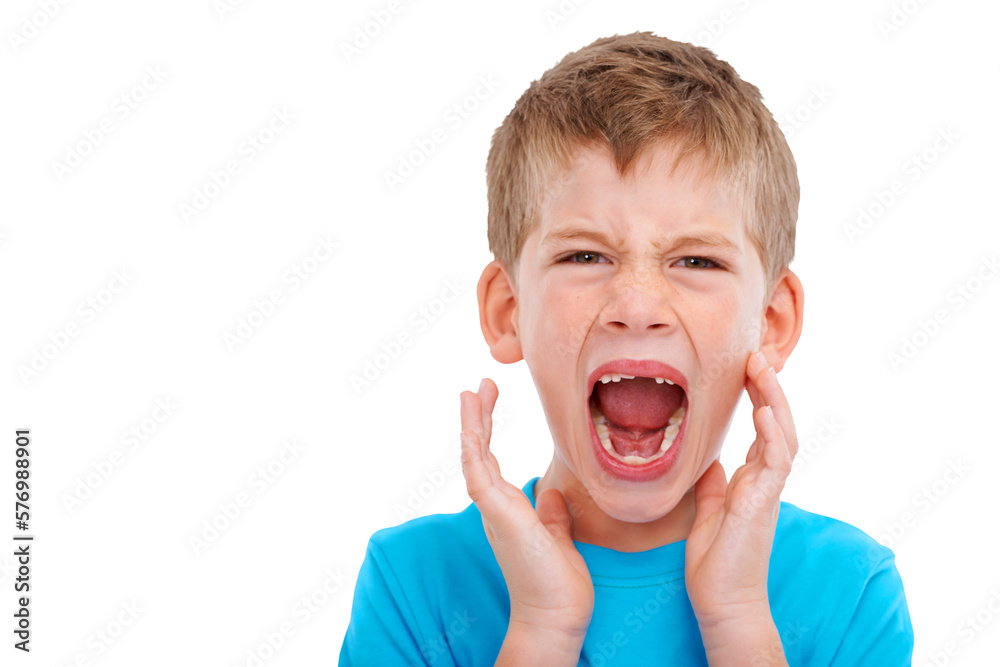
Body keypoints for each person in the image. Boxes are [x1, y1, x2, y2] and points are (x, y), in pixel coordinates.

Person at [339, 31, 913, 666]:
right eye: (584, 255)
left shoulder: (851, 591)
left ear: (772, 322)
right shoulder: (414, 584)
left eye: (696, 260)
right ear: (508, 311)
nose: (637, 307)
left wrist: (739, 622)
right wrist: (541, 630)